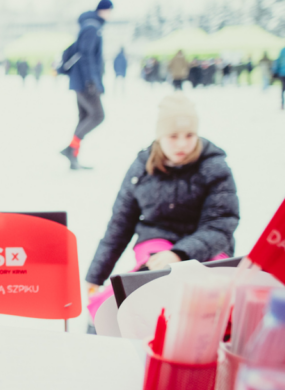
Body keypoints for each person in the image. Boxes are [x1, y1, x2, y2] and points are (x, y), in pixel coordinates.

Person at [85, 93, 239, 320]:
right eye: (173, 135)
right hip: (156, 242)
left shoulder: (215, 167)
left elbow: (221, 223)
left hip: (207, 247)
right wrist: (95, 275)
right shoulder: (142, 169)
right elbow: (120, 225)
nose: (182, 143)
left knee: (210, 288)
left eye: (189, 135)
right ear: (159, 136)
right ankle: (113, 317)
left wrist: (180, 254)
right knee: (155, 278)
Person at [60, 0, 112, 170]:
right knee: (98, 115)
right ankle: (70, 149)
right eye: (109, 10)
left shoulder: (90, 25)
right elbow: (86, 56)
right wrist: (92, 81)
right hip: (85, 82)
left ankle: (73, 156)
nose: (110, 14)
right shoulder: (92, 27)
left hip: (80, 81)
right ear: (103, 10)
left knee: (84, 117)